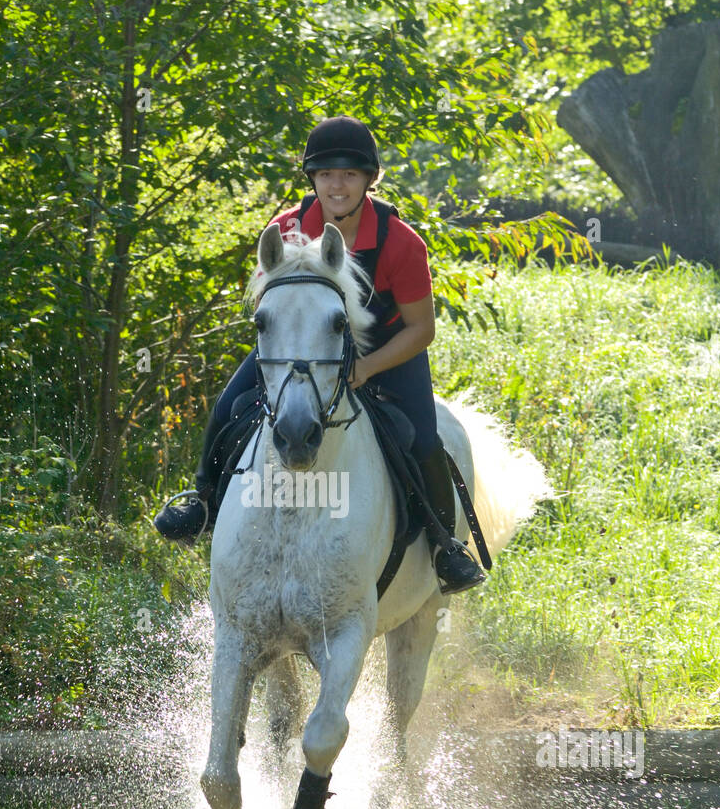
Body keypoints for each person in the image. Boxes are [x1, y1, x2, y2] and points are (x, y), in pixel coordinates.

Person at [154, 116, 486, 594]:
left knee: (424, 439)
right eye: (326, 173)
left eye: (350, 174)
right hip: (303, 348)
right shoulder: (285, 230)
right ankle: (202, 500)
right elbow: (277, 308)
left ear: (369, 179)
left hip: (385, 351)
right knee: (228, 407)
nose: (337, 184)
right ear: (312, 178)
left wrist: (367, 367)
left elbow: (421, 329)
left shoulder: (401, 243)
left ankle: (443, 546)